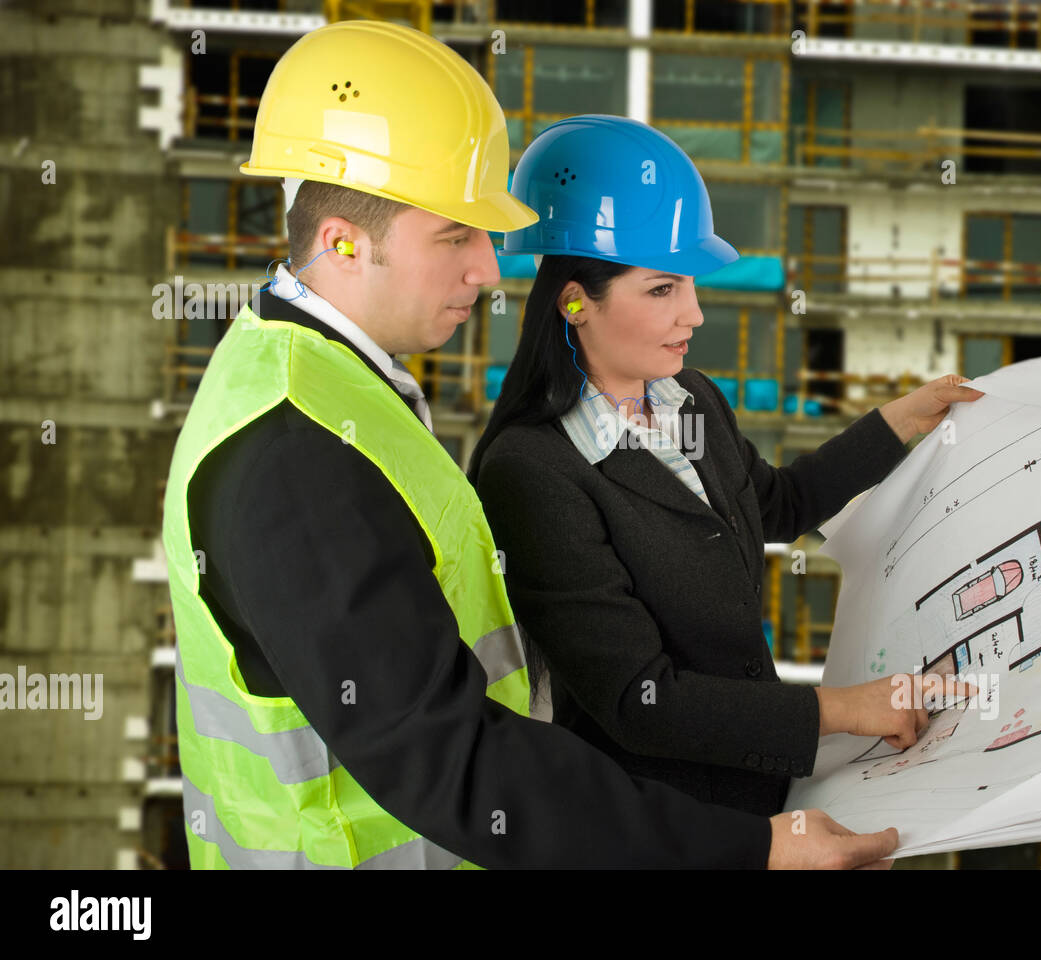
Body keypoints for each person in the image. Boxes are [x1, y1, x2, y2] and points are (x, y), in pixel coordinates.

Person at [162, 20, 899, 869]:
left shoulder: (323, 384)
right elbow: (454, 759)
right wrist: (748, 848)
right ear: (341, 242)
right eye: (455, 237)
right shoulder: (298, 455)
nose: (488, 269)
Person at [469, 114, 983, 818]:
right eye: (662, 290)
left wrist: (901, 421)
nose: (695, 314)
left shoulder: (690, 400)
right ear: (575, 302)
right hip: (656, 827)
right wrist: (844, 709)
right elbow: (640, 701)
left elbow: (779, 504)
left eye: (689, 284)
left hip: (756, 796)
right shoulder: (533, 471)